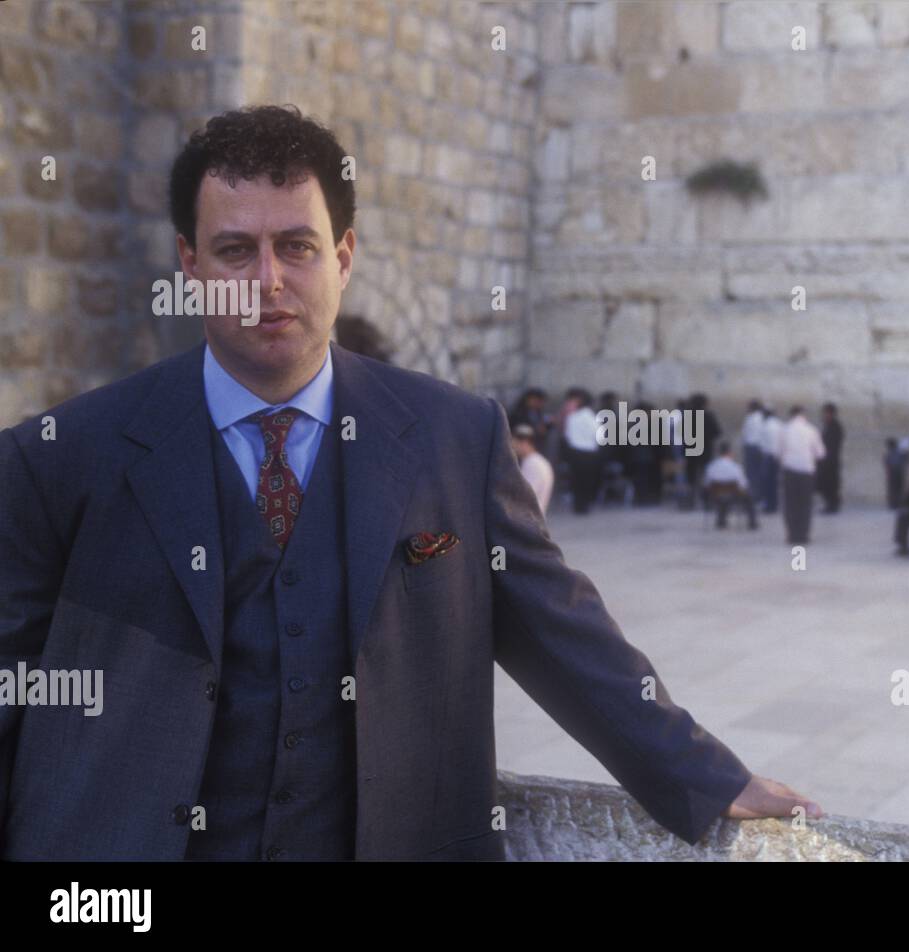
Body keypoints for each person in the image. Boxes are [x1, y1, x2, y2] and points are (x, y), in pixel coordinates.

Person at [0, 106, 819, 861]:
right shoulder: (61, 456)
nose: (269, 280)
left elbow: (561, 631)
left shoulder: (453, 440)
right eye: (234, 250)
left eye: (298, 245)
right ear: (189, 263)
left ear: (344, 257)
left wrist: (707, 778)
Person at [776, 406, 825, 545]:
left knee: (790, 504)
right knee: (805, 504)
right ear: (804, 415)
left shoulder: (784, 430)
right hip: (807, 471)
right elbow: (821, 453)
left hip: (789, 471)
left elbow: (778, 452)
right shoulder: (811, 430)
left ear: (790, 415)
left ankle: (792, 534)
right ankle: (803, 535)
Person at [562, 387, 602, 514]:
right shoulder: (584, 415)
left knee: (578, 479)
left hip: (578, 452)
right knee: (583, 480)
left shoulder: (578, 416)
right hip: (585, 452)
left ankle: (580, 505)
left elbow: (568, 435)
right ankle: (582, 505)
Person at [702, 442, 758, 530]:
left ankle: (721, 520)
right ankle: (752, 522)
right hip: (734, 495)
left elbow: (706, 484)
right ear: (729, 453)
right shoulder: (736, 467)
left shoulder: (711, 467)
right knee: (748, 496)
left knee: (722, 497)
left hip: (716, 495)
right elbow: (743, 484)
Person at [511, 424, 555, 515]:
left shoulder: (533, 464)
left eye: (514, 443)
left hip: (530, 520)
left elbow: (525, 497)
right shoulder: (536, 461)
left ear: (524, 443)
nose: (513, 447)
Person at [815, 402, 844, 514]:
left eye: (826, 413)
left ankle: (833, 505)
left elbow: (831, 444)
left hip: (831, 461)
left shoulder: (835, 426)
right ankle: (830, 504)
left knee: (831, 484)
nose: (824, 415)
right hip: (826, 460)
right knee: (825, 484)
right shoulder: (828, 425)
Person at [760, 407, 783, 513]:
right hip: (777, 457)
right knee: (775, 482)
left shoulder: (765, 426)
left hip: (768, 457)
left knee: (767, 482)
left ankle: (769, 505)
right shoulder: (780, 425)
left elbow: (762, 444)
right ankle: (774, 504)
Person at [740, 399, 766, 492]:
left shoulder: (749, 418)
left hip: (750, 447)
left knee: (750, 472)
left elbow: (744, 433)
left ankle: (752, 493)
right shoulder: (762, 418)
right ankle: (757, 493)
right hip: (759, 447)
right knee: (758, 472)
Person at [883, 437, 909, 510]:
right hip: (899, 473)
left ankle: (893, 504)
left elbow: (886, 463)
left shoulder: (889, 454)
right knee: (900, 489)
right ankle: (899, 503)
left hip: (892, 474)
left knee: (893, 489)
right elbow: (907, 459)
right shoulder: (900, 452)